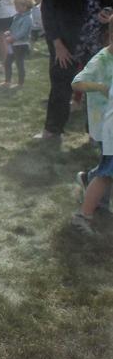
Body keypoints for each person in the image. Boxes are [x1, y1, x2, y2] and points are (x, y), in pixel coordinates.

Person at [36, 0, 113, 140]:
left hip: (98, 42)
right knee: (61, 85)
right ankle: (52, 130)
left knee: (97, 88)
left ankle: (96, 133)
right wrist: (57, 44)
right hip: (66, 43)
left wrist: (110, 13)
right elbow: (48, 13)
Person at [72, 25, 113, 230]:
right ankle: (83, 216)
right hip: (107, 125)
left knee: (107, 170)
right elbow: (77, 83)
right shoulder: (102, 59)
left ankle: (89, 181)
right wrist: (102, 88)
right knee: (107, 173)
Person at [0, 0, 36, 88]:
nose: (16, 8)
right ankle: (7, 81)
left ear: (25, 6)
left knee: (19, 63)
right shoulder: (18, 16)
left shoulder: (27, 18)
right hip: (14, 44)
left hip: (21, 44)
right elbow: (14, 28)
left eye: (17, 6)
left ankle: (20, 83)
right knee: (7, 62)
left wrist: (13, 37)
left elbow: (23, 32)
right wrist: (9, 32)